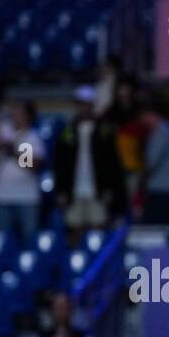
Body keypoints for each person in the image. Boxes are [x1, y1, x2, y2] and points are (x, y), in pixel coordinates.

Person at [52, 86, 125, 237]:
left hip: (97, 190)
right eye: (81, 104)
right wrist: (61, 190)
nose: (84, 108)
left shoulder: (105, 131)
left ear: (92, 105)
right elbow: (60, 164)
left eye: (87, 104)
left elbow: (112, 164)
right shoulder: (67, 131)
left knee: (97, 229)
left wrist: (110, 190)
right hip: (74, 190)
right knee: (74, 229)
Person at [0, 100, 45, 246]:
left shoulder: (32, 138)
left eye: (20, 113)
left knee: (29, 242)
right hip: (2, 197)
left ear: (28, 116)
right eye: (14, 113)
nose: (15, 116)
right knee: (1, 243)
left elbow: (31, 166)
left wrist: (13, 150)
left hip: (26, 198)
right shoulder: (4, 135)